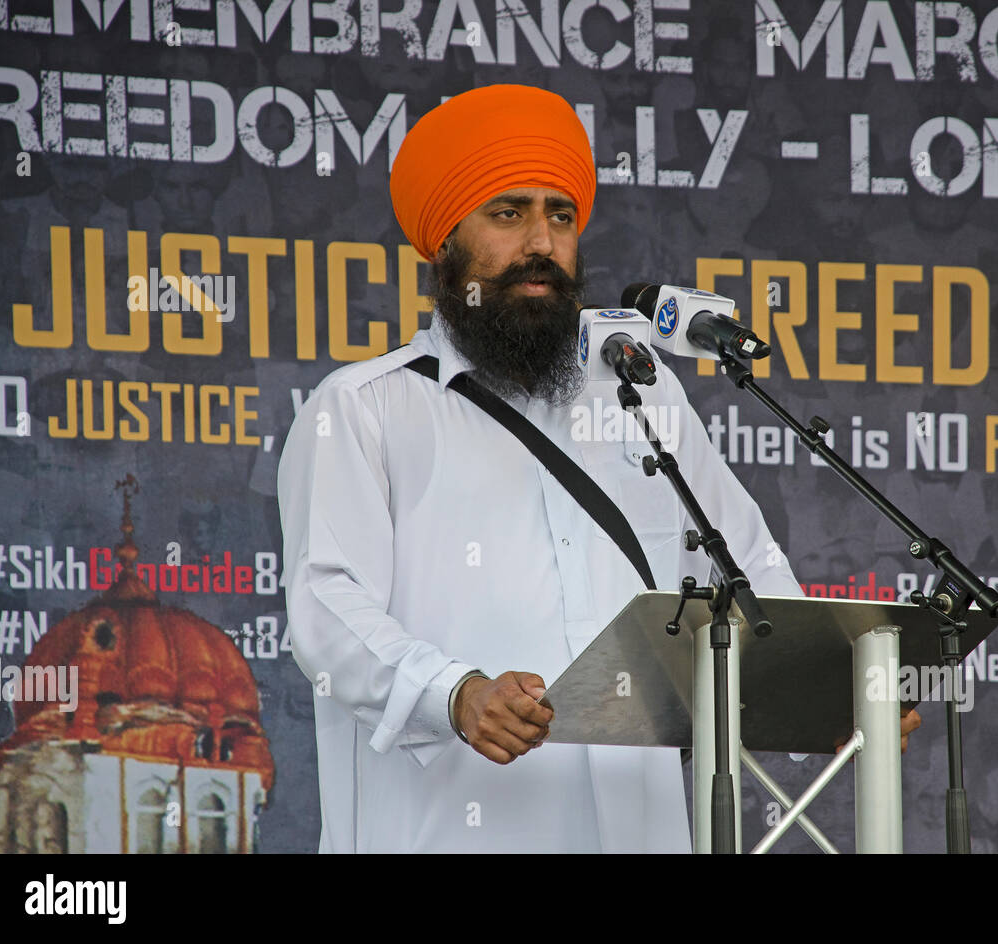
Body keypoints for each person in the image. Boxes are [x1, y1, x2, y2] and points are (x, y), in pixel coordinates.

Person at [278, 84, 917, 853]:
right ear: (443, 242)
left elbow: (742, 561)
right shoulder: (363, 410)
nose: (541, 243)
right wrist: (455, 693)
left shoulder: (639, 387)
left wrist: (825, 689)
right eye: (508, 214)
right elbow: (329, 610)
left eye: (560, 215)